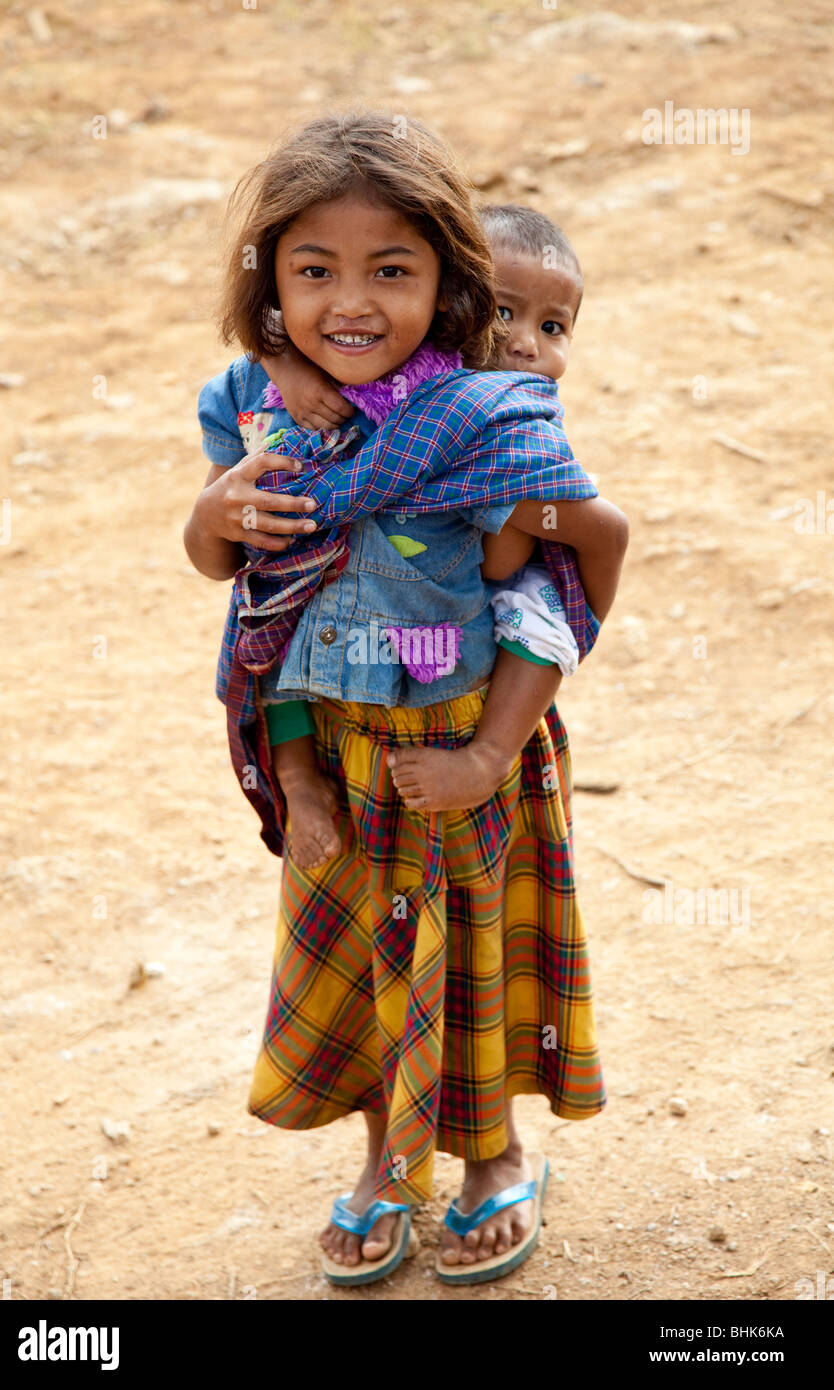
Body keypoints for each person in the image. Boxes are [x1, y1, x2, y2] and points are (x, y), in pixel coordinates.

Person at [184, 111, 628, 1286]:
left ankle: (489, 1157)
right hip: (327, 744)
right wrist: (217, 515)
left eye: (393, 270)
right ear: (271, 283)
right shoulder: (253, 405)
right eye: (314, 269)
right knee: (368, 963)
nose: (353, 301)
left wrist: (487, 752)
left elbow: (558, 572)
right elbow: (235, 584)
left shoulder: (486, 416)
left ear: (450, 283)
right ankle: (389, 1160)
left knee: (470, 954)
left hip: (457, 739)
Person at [261, 202, 600, 833]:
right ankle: (294, 772)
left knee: (538, 616)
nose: (525, 342)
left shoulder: (513, 422)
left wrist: (582, 610)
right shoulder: (384, 381)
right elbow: (264, 347)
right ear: (452, 302)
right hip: (358, 676)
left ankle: (490, 756)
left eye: (553, 328)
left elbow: (518, 558)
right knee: (274, 611)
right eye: (503, 313)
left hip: (475, 660)